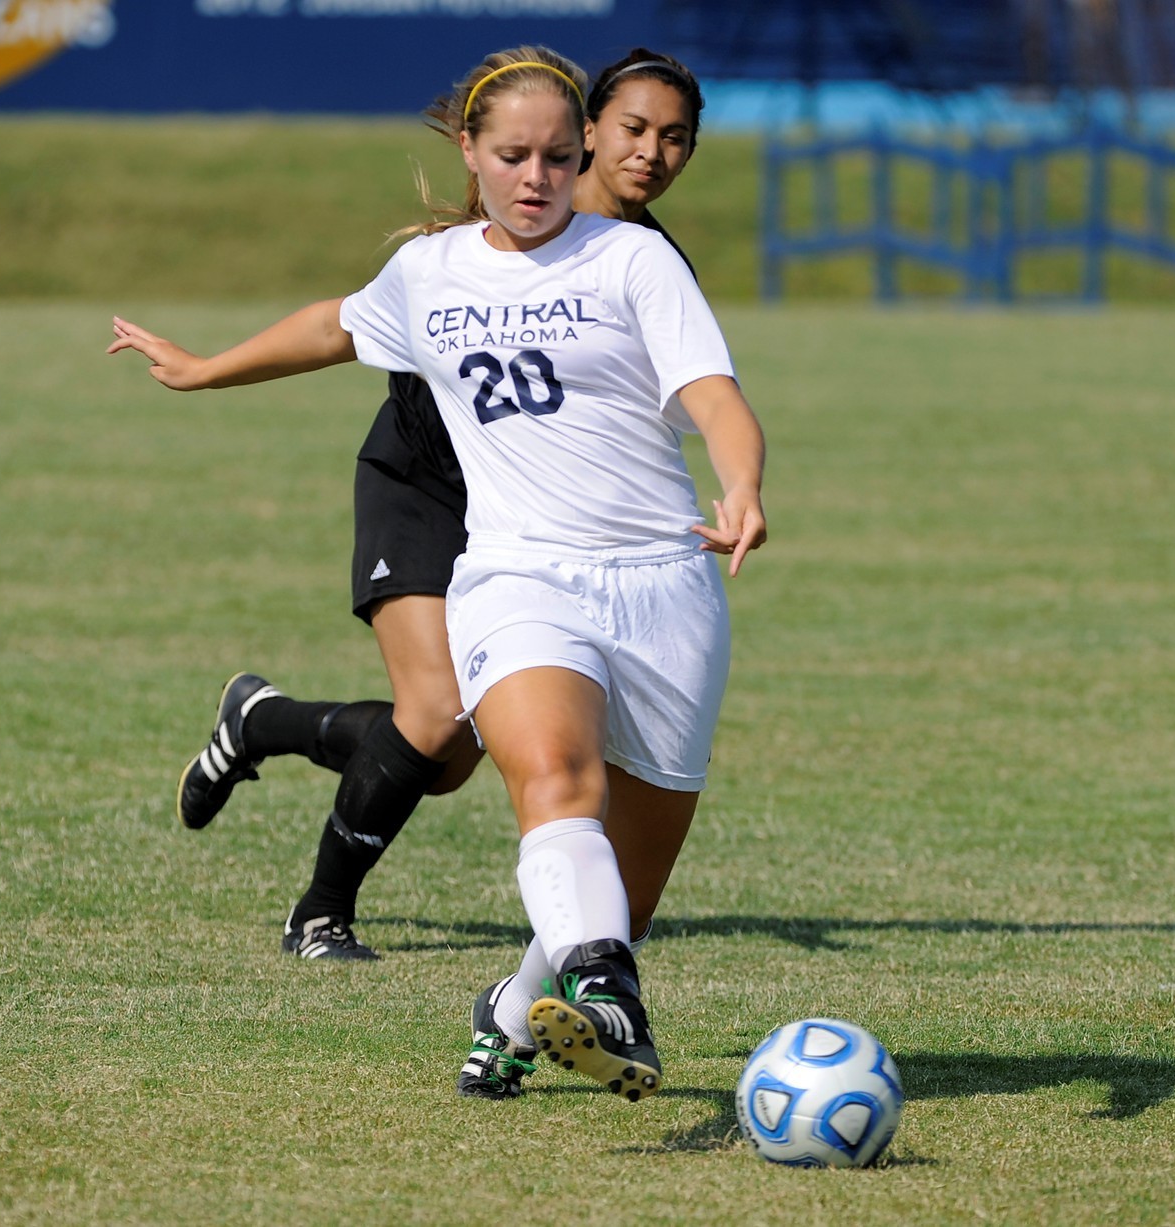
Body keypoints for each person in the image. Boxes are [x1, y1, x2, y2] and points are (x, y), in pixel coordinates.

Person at [108, 44, 766, 1103]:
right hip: (514, 573)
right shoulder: (430, 272)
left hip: (664, 588)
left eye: (558, 156)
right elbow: (338, 322)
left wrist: (741, 484)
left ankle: (513, 1016)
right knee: (550, 777)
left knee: (621, 894)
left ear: (580, 149)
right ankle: (604, 995)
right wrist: (200, 367)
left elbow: (715, 395)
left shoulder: (635, 262)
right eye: (513, 155)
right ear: (469, 151)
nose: (537, 177)